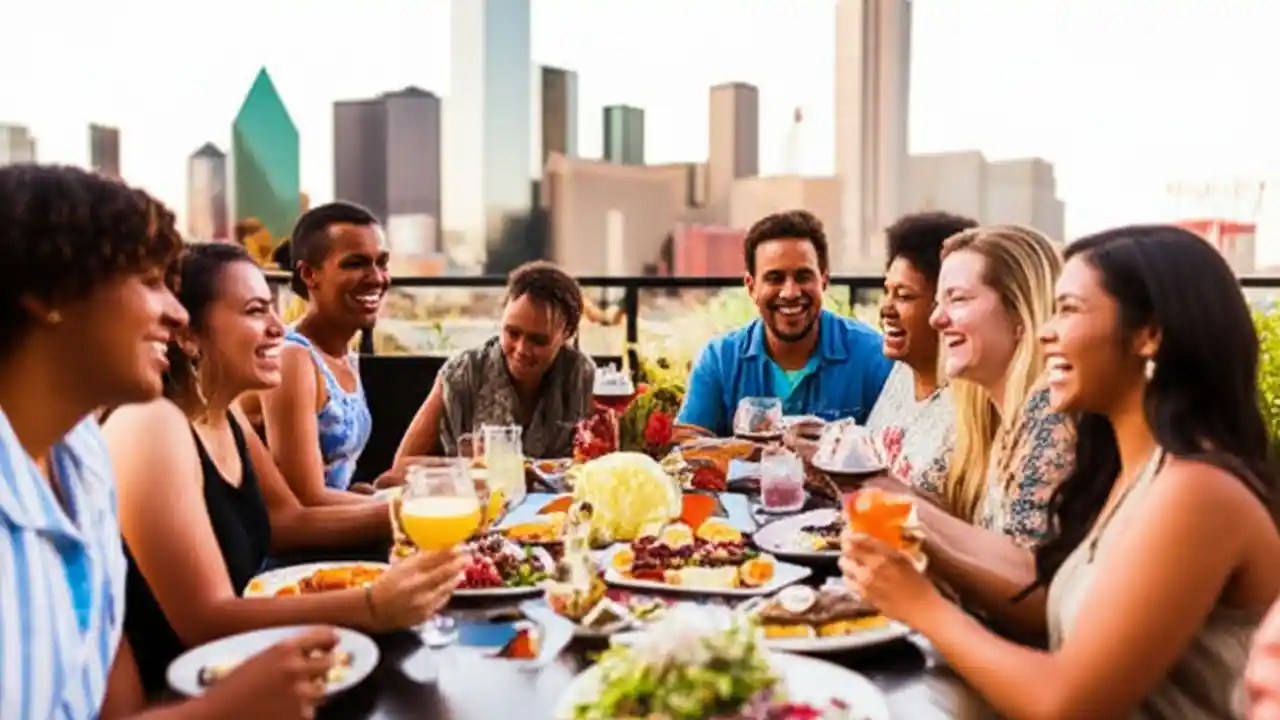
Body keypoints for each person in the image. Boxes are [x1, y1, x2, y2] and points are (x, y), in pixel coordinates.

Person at [843, 225, 1280, 719]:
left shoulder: (1199, 492)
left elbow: (1065, 702)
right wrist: (884, 505)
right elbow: (1030, 574)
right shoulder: (1129, 474)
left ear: (1149, 334)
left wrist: (919, 604)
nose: (1046, 330)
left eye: (1068, 309)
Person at [0, 164, 337, 719]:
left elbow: (110, 691)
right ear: (48, 294)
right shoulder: (140, 430)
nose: (176, 313)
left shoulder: (80, 456)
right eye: (149, 281)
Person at [103, 242, 465, 695]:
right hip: (188, 695)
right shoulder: (151, 424)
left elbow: (287, 519)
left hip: (251, 666)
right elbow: (204, 620)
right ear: (187, 332)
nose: (278, 327)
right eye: (256, 312)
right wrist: (373, 605)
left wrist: (407, 513)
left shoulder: (222, 414)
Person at [677, 210, 893, 436]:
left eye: (803, 277)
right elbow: (687, 444)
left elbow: (898, 448)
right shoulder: (720, 359)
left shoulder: (871, 355)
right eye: (775, 278)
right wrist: (753, 450)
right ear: (751, 287)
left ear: (824, 281)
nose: (790, 292)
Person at [255, 202, 388, 503]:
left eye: (382, 262)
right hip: (302, 546)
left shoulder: (345, 356)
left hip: (336, 531)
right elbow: (305, 499)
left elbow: (332, 484)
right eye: (355, 264)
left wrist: (368, 494)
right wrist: (405, 507)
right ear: (309, 274)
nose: (377, 277)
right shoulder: (292, 358)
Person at [395, 260, 595, 460]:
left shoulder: (583, 378)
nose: (521, 349)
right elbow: (402, 466)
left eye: (538, 340)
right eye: (512, 333)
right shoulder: (463, 373)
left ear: (567, 333)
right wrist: (463, 470)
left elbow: (604, 464)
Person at [862, 211, 977, 488]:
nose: (886, 309)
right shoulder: (903, 371)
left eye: (904, 296)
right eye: (886, 291)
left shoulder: (970, 403)